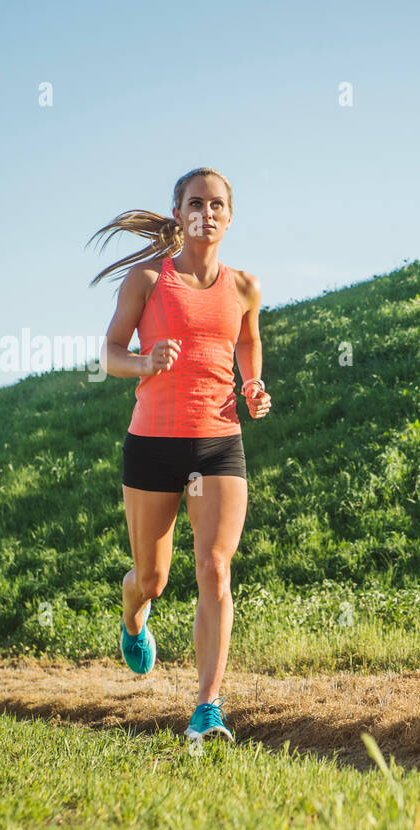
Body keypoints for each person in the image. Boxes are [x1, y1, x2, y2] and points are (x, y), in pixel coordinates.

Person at [87, 167, 270, 743]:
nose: (207, 213)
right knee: (153, 577)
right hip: (152, 446)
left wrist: (253, 384)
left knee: (215, 568)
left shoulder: (244, 287)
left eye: (217, 204)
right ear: (179, 214)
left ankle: (207, 709)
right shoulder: (147, 280)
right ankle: (132, 609)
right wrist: (143, 363)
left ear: (230, 216)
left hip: (219, 443)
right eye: (196, 203)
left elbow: (247, 340)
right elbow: (110, 353)